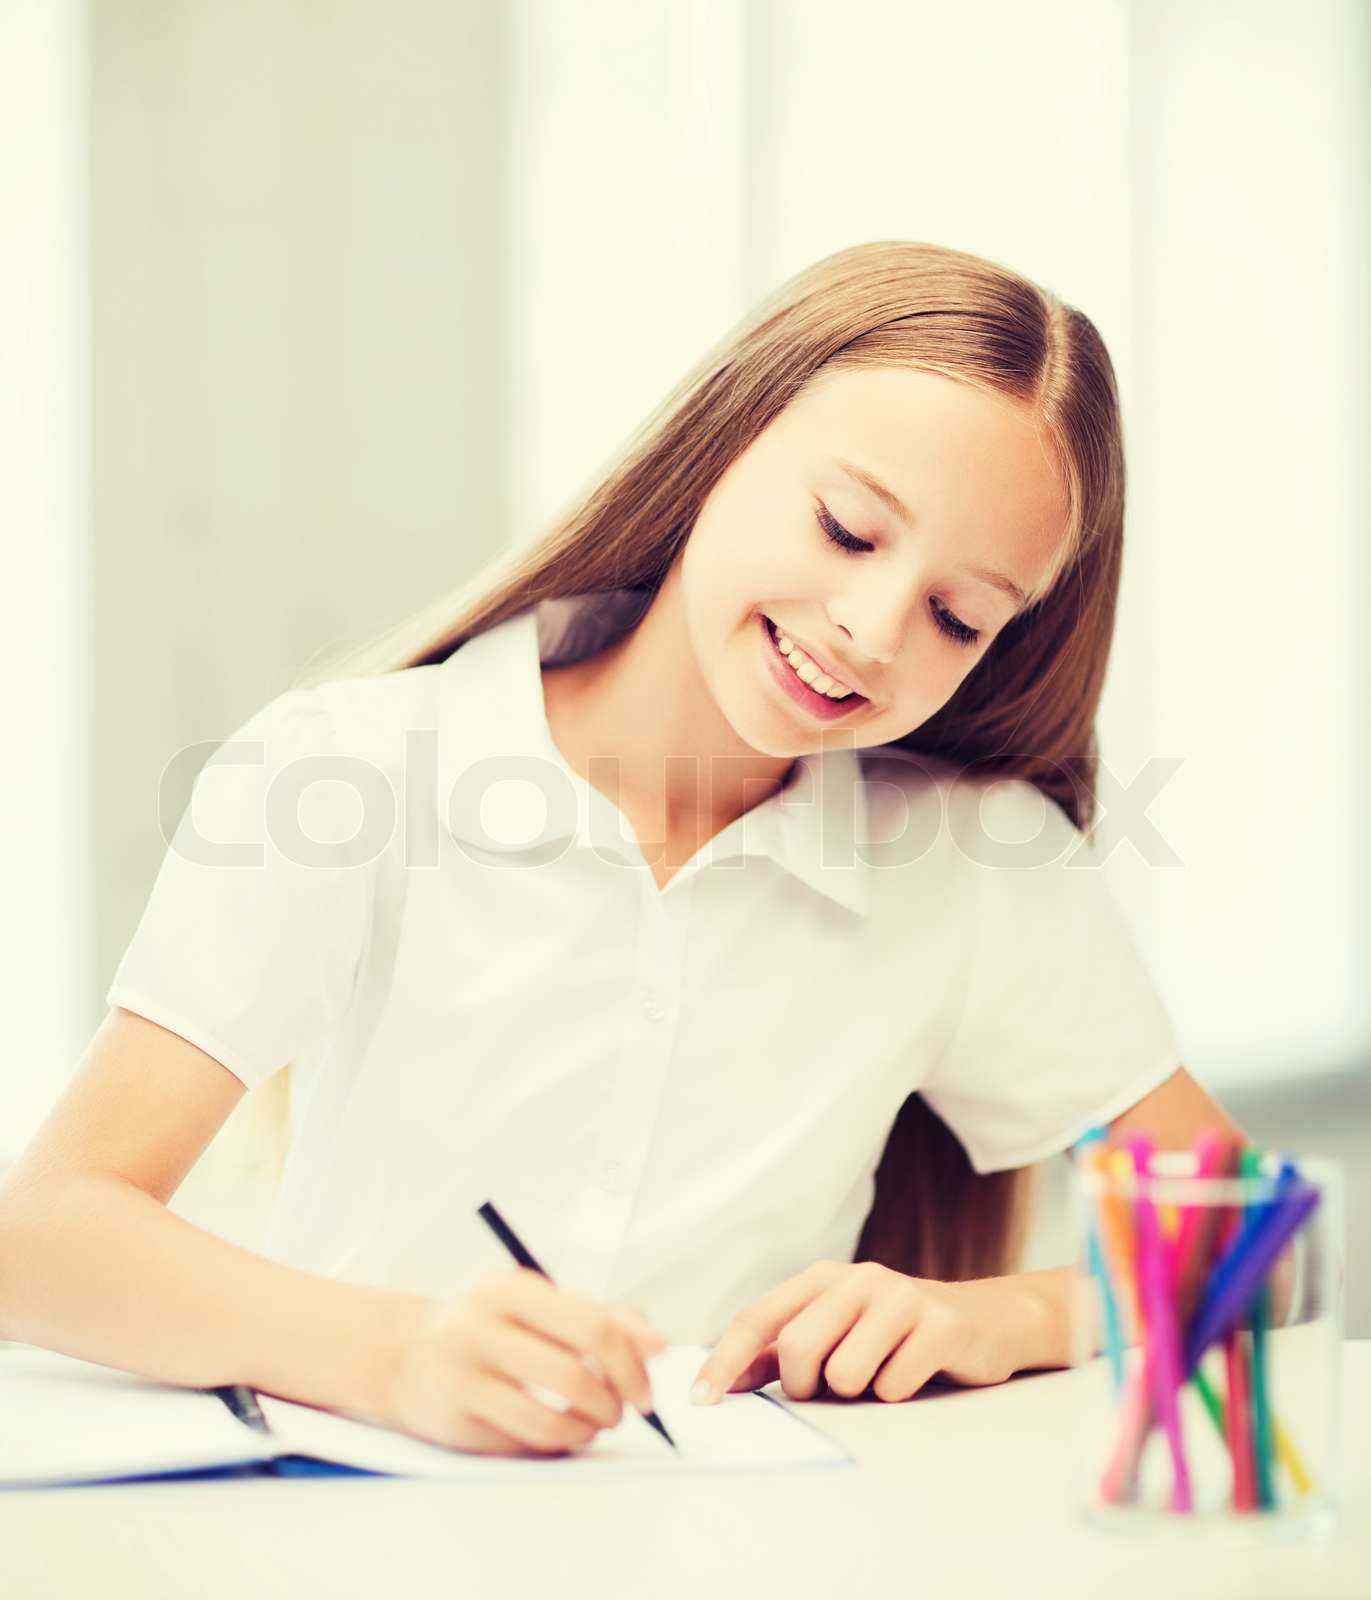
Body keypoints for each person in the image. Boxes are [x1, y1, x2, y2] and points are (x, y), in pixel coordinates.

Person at [0, 239, 1250, 1460]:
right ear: (722, 444)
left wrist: (1003, 1315)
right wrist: (397, 1355)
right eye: (849, 530)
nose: (873, 631)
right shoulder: (358, 770)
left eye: (956, 616)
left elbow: (1253, 1236)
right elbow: (41, 1237)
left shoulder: (974, 864)